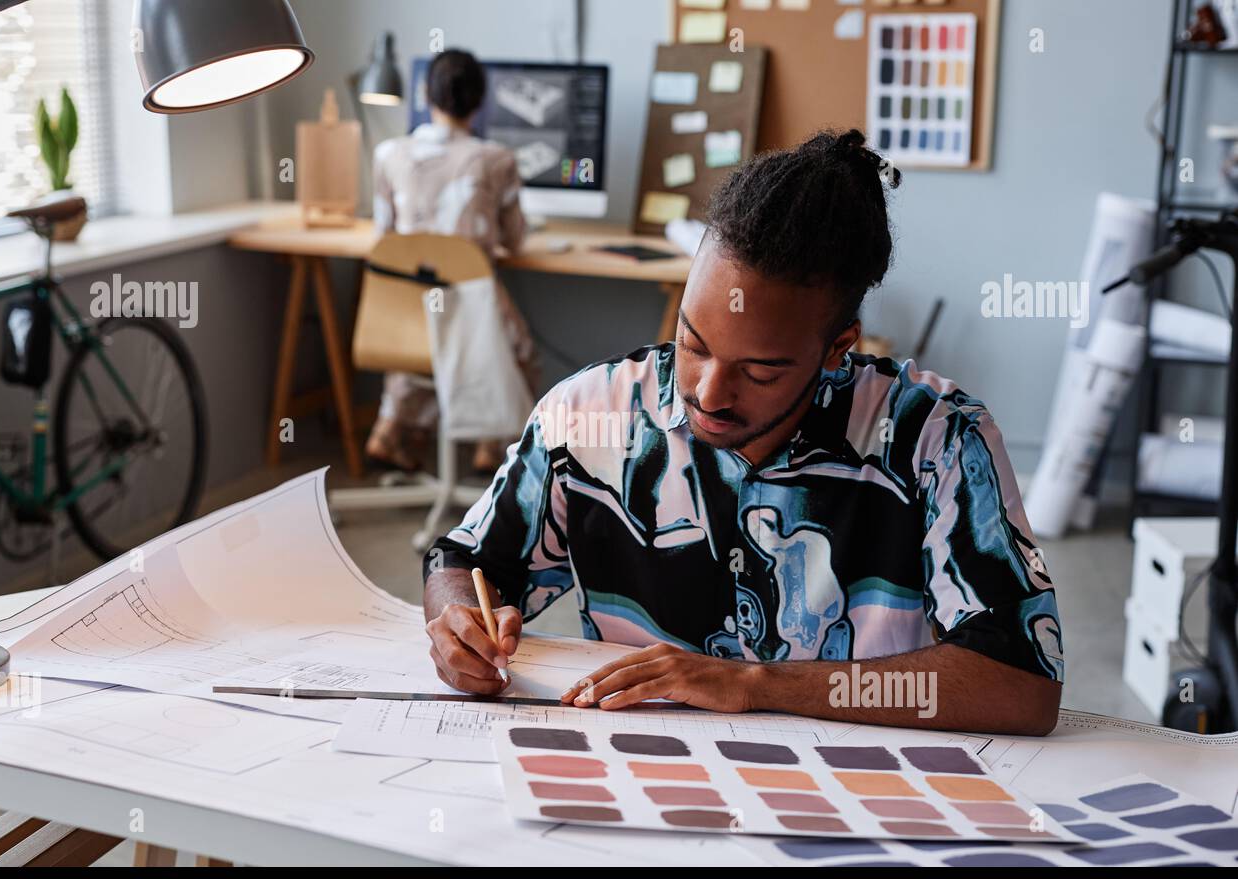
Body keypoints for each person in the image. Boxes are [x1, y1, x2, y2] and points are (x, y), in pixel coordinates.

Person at [420, 129, 1064, 735]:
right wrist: (459, 623)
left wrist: (758, 684)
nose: (706, 392)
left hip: (856, 798)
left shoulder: (936, 440)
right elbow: (466, 559)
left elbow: (1019, 684)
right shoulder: (590, 416)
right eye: (693, 344)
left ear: (838, 348)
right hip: (643, 787)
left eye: (759, 371)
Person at [366, 49, 539, 473]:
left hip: (404, 314)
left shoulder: (389, 154)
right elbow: (515, 241)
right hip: (471, 307)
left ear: (426, 95)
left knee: (428, 333)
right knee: (520, 349)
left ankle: (389, 429)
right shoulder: (496, 160)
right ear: (480, 104)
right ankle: (491, 446)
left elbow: (381, 237)